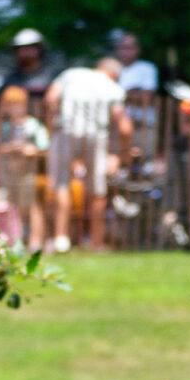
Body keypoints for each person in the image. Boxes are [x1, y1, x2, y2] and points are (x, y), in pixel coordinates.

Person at [45, 53, 128, 250]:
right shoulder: (113, 87)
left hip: (66, 129)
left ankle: (61, 239)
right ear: (114, 74)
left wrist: (52, 127)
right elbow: (124, 126)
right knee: (97, 188)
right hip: (97, 134)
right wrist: (120, 155)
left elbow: (51, 98)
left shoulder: (71, 74)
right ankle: (96, 242)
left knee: (62, 183)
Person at [0, 85, 50, 245]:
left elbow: (44, 148)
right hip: (9, 172)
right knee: (11, 207)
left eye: (15, 104)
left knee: (32, 207)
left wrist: (31, 150)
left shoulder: (34, 126)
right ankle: (13, 239)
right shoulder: (4, 127)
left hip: (29, 172)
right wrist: (10, 148)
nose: (12, 108)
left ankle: (35, 241)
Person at [6, 29, 56, 102]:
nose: (25, 51)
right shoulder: (10, 79)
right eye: (21, 48)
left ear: (40, 49)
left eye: (29, 47)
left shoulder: (52, 76)